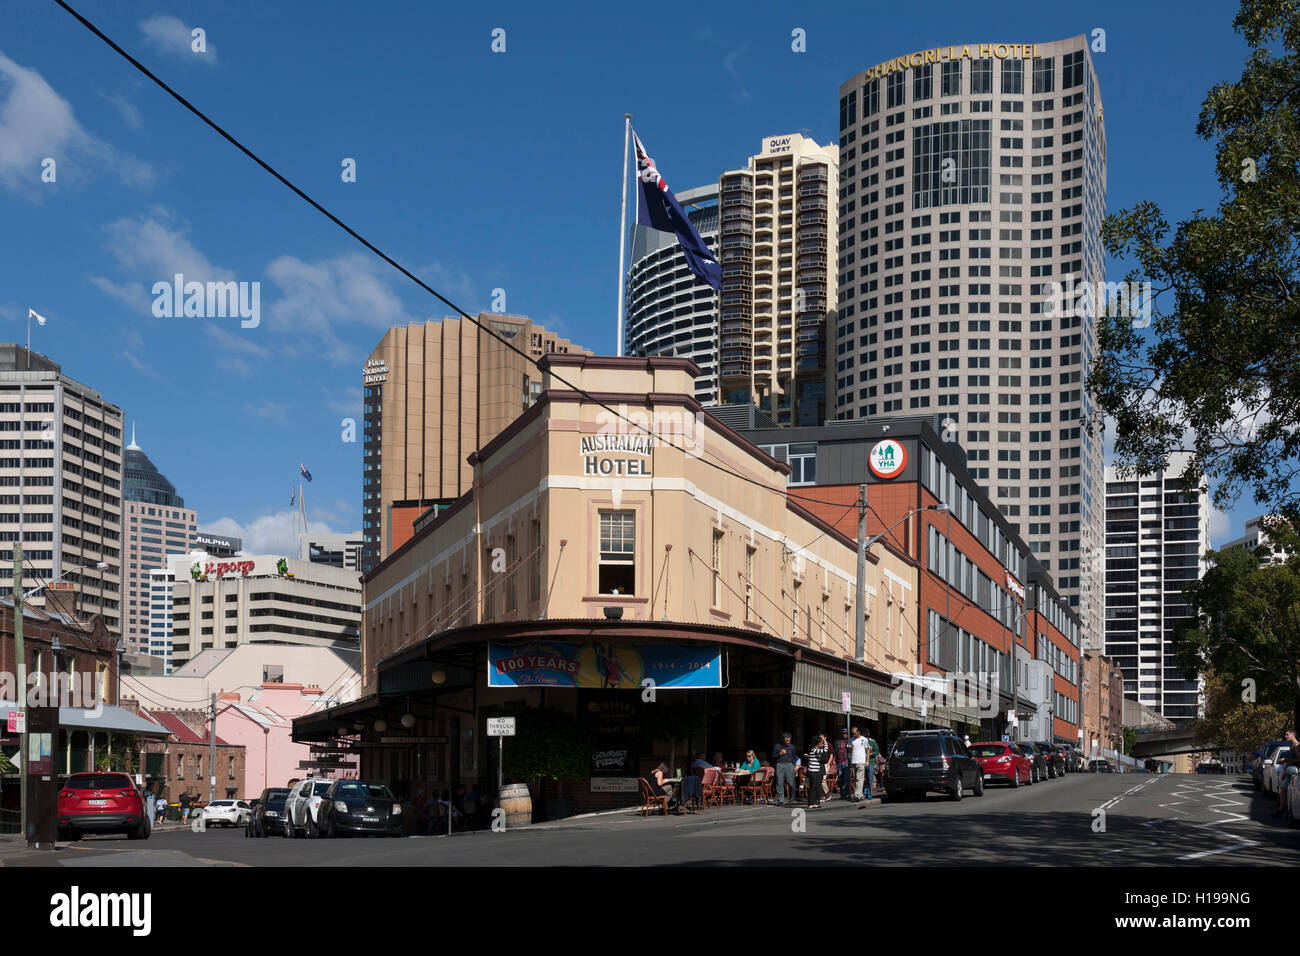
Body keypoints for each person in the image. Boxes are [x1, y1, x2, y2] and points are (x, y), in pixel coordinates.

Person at [772, 732, 798, 806]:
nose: (788, 740)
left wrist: (793, 765)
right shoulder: (777, 746)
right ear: (783, 739)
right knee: (779, 783)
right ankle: (781, 800)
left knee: (791, 783)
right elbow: (773, 756)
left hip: (789, 765)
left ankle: (791, 799)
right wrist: (780, 754)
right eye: (786, 739)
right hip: (780, 765)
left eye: (789, 739)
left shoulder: (792, 747)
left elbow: (795, 757)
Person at [805, 734, 829, 808]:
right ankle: (810, 803)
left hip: (817, 771)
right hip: (813, 771)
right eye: (821, 742)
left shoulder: (817, 750)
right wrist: (825, 740)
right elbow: (825, 750)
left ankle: (816, 802)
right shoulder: (814, 750)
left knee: (817, 786)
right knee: (813, 787)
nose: (822, 744)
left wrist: (824, 741)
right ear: (818, 743)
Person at [849, 726, 869, 801]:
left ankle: (857, 795)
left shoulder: (864, 739)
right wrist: (850, 749)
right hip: (853, 761)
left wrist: (867, 761)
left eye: (854, 733)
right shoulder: (851, 740)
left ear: (858, 732)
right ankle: (860, 795)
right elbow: (849, 751)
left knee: (859, 778)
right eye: (852, 734)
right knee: (855, 779)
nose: (853, 735)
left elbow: (867, 750)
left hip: (861, 761)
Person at [864, 728, 882, 800]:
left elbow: (877, 751)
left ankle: (869, 793)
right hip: (862, 762)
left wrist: (871, 753)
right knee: (862, 779)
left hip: (871, 762)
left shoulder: (873, 742)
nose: (866, 739)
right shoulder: (861, 741)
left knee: (870, 778)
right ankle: (863, 791)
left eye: (867, 737)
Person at [835, 728, 852, 800]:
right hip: (839, 762)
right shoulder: (837, 742)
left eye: (846, 733)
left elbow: (851, 752)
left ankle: (847, 794)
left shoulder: (849, 742)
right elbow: (835, 752)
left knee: (847, 779)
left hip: (847, 762)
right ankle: (842, 794)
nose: (844, 735)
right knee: (841, 778)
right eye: (843, 733)